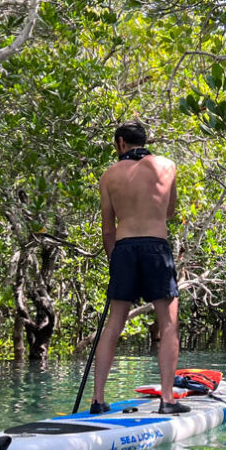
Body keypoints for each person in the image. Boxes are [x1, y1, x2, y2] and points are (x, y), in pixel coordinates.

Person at [90, 122, 190, 415]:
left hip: (124, 249)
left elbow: (108, 229)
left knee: (114, 324)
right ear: (145, 140)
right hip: (155, 247)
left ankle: (97, 399)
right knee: (169, 324)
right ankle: (168, 399)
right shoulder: (167, 166)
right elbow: (169, 212)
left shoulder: (108, 176)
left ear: (121, 143)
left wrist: (115, 261)